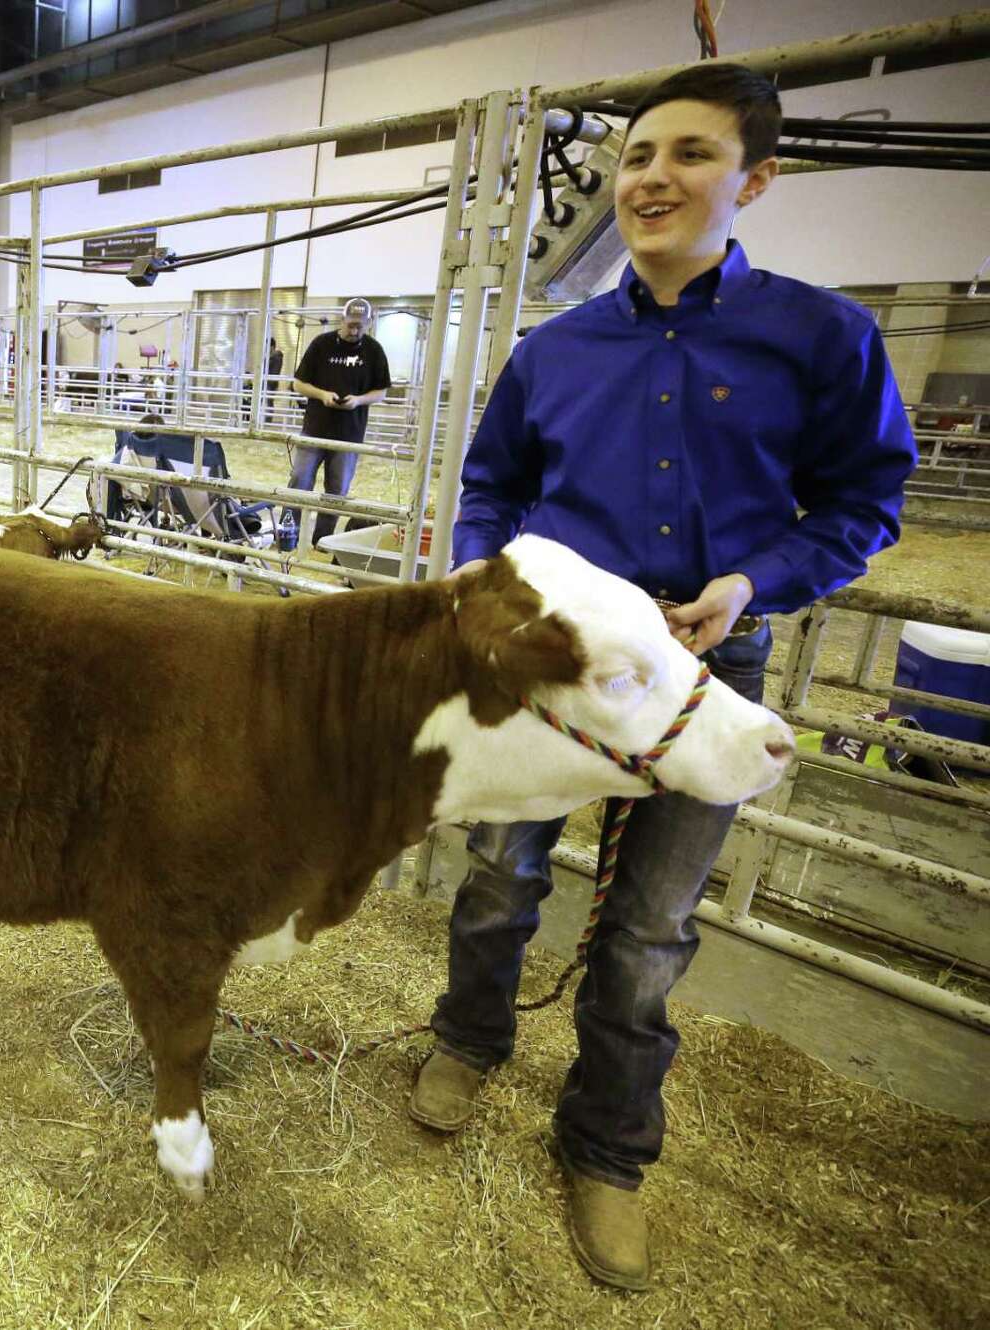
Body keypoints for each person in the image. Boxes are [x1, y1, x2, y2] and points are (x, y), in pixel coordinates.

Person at [421, 63, 917, 1291]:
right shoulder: (557, 346)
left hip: (707, 660)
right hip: (554, 662)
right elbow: (491, 485)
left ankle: (607, 1147)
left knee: (650, 926)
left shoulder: (824, 335)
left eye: (691, 155)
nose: (652, 178)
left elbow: (865, 502)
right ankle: (467, 1041)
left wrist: (751, 582)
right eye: (639, 156)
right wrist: (486, 582)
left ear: (756, 179)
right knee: (498, 872)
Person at [286, 299, 390, 545]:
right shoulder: (322, 344)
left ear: (369, 323)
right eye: (351, 325)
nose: (355, 331)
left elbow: (381, 391)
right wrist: (322, 395)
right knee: (300, 480)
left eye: (360, 327)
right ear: (342, 320)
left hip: (350, 433)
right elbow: (298, 383)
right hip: (315, 429)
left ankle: (321, 540)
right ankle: (288, 533)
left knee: (337, 490)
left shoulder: (374, 351)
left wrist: (359, 400)